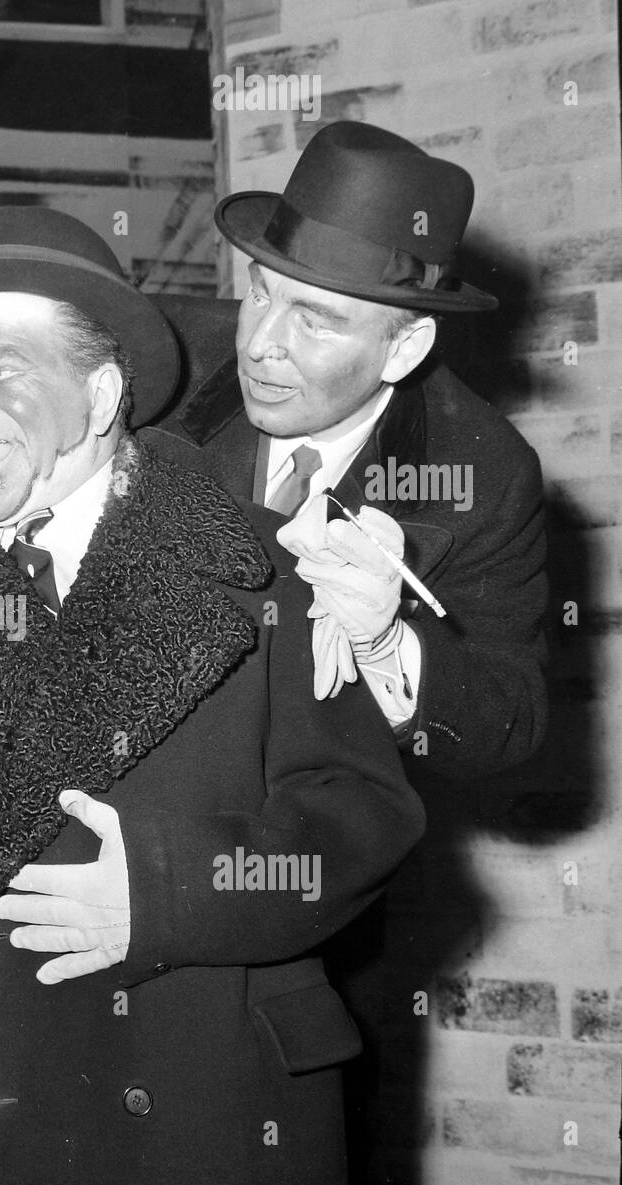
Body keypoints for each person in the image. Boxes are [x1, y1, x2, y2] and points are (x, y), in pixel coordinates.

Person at [0, 207, 426, 1185]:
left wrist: (168, 890)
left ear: (98, 394)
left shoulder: (269, 576)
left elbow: (354, 826)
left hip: (209, 1117)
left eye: (1, 367)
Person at [149, 121, 548, 778]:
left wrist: (388, 645)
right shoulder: (162, 356)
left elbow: (511, 720)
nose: (258, 343)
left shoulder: (486, 470)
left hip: (313, 840)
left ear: (404, 348)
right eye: (260, 291)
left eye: (314, 321)